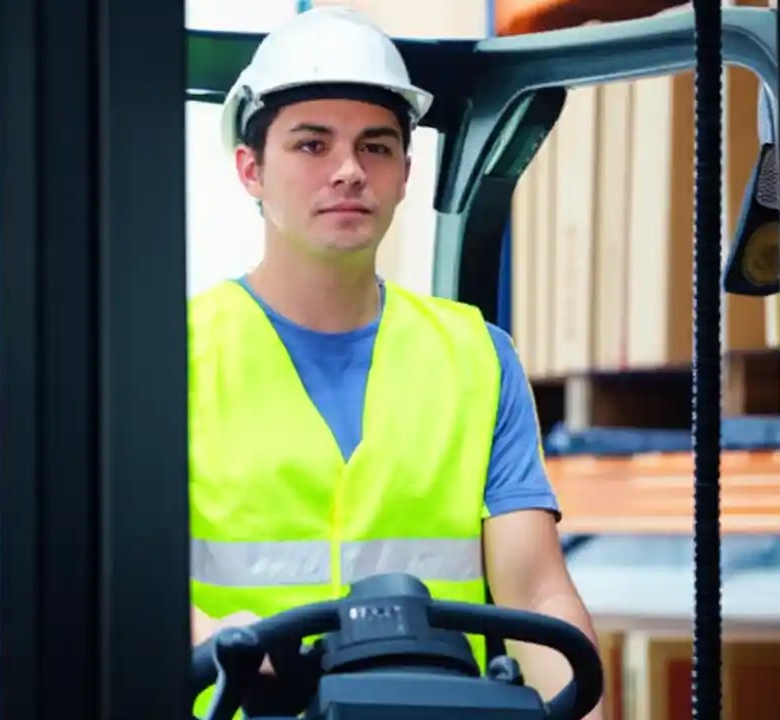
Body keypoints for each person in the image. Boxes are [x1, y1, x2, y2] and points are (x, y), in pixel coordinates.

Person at [187, 6, 604, 718]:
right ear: (250, 169)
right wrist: (221, 647)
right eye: (312, 146)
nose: (349, 171)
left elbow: (536, 591)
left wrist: (580, 702)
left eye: (376, 147)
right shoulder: (176, 357)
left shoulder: (477, 356)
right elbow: (126, 580)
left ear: (406, 173)